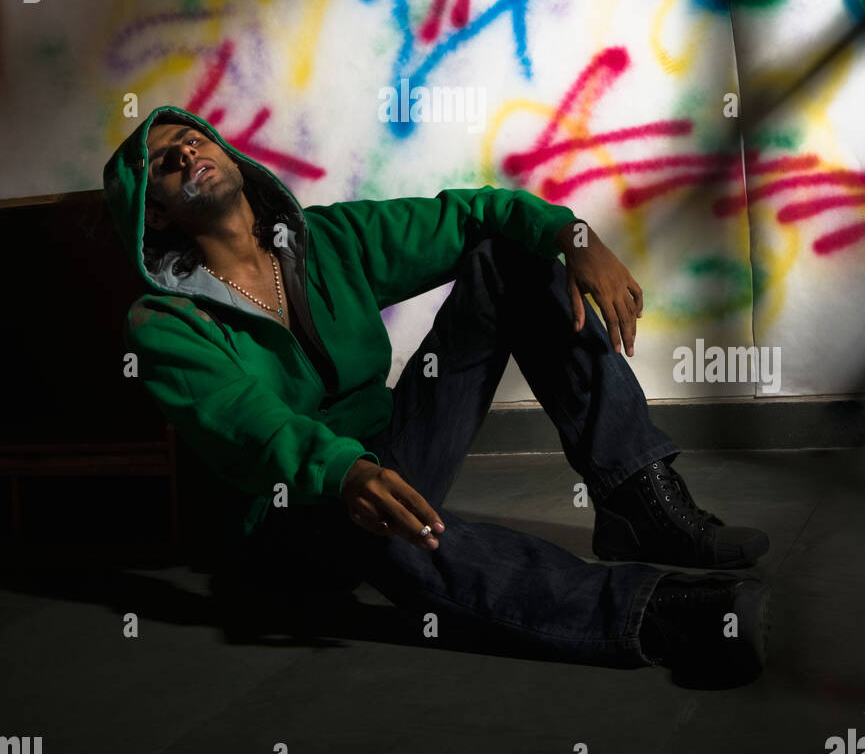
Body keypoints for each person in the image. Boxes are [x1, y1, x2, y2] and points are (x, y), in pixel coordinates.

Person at [103, 104, 771, 688]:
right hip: (294, 515)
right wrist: (345, 473)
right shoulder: (164, 322)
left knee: (509, 253)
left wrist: (574, 237)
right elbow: (246, 424)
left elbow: (475, 213)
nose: (185, 153)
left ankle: (640, 504)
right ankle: (660, 612)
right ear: (153, 212)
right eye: (164, 162)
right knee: (375, 525)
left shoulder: (330, 241)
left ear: (231, 156)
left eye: (193, 139)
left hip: (388, 453)